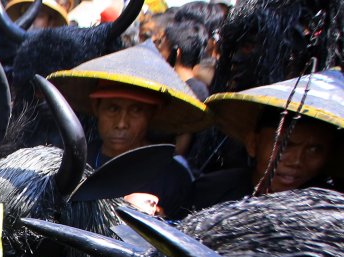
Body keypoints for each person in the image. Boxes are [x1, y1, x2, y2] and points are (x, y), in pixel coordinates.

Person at [49, 41, 210, 217]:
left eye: (135, 111)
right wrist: (123, 207)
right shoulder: (72, 164)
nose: (121, 123)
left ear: (152, 114)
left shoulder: (173, 177)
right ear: (97, 108)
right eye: (113, 109)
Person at [194, 70, 344, 207]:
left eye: (314, 150)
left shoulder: (328, 210)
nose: (297, 161)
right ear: (253, 144)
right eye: (285, 145)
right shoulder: (212, 190)